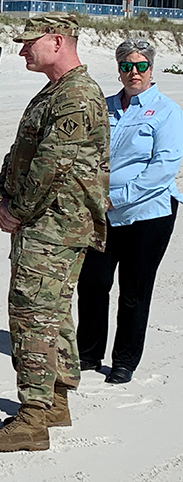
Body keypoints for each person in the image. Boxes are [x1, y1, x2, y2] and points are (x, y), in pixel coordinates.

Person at [0, 12, 109, 452]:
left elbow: (52, 166)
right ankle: (54, 401)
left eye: (29, 42)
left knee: (31, 312)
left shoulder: (76, 96)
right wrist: (0, 197)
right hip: (43, 222)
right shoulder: (54, 92)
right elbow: (20, 153)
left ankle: (32, 418)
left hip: (54, 225)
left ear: (57, 41)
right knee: (52, 312)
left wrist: (17, 210)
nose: (21, 50)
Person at [76, 38, 183, 385]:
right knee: (93, 283)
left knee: (134, 291)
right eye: (126, 66)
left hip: (148, 214)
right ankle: (88, 354)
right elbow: (86, 152)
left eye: (140, 66)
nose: (133, 73)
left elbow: (163, 167)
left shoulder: (168, 111)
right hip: (100, 213)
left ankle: (124, 361)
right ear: (118, 69)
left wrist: (116, 198)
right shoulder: (102, 107)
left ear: (151, 69)